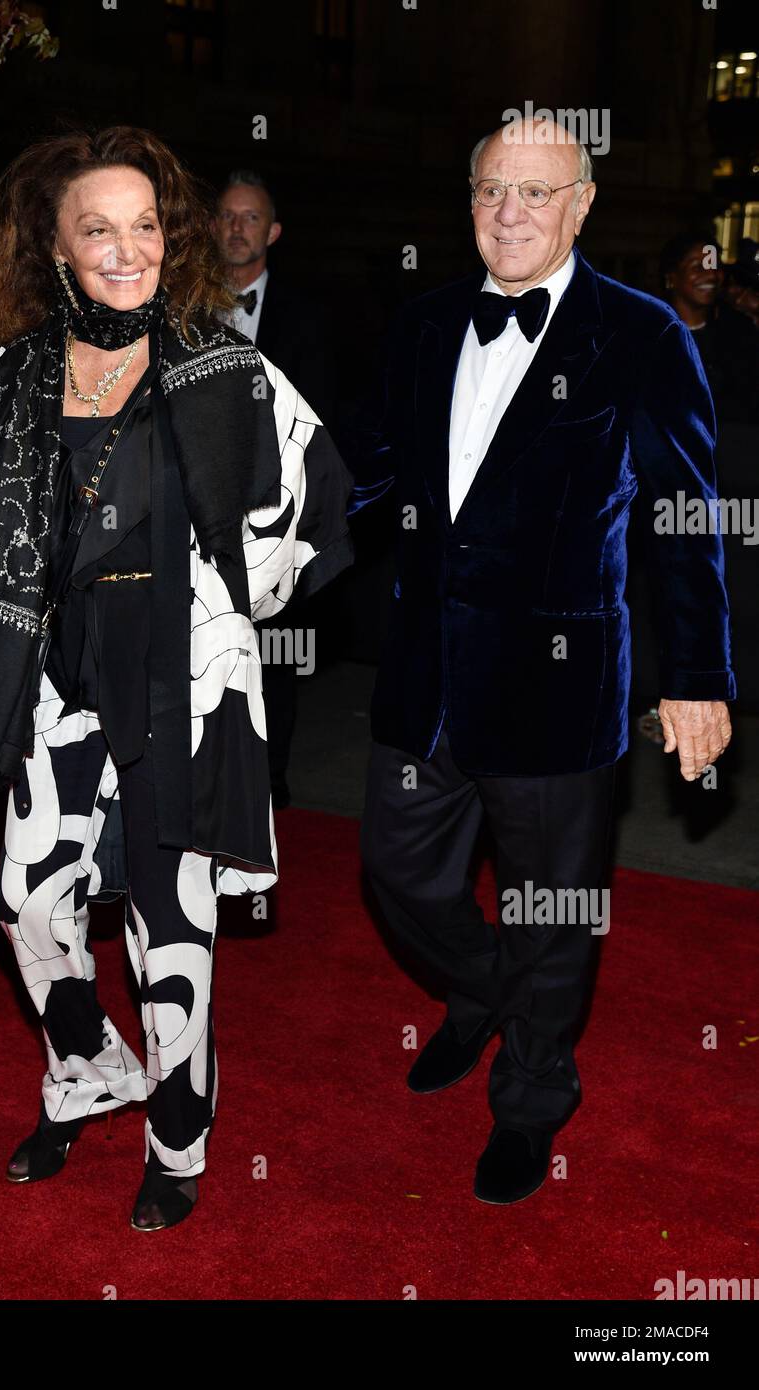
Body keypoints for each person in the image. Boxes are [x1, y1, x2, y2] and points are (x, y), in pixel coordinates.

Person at [0, 125, 354, 1231]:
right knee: (29, 903)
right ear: (56, 248)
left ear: (171, 239)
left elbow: (321, 495)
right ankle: (89, 1067)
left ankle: (179, 1136)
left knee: (170, 931)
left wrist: (238, 594)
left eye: (145, 226)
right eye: (97, 230)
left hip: (179, 678)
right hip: (55, 670)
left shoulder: (221, 364)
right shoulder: (21, 368)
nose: (126, 248)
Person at [345, 117, 734, 1205]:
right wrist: (243, 540)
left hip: (559, 688)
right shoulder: (423, 325)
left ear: (581, 204)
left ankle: (530, 1096)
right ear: (466, 200)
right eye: (487, 191)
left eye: (533, 192)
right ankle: (484, 994)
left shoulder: (643, 334)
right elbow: (358, 473)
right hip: (424, 676)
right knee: (397, 874)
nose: (507, 214)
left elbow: (681, 517)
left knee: (552, 909)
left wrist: (693, 675)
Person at [215, 170, 338, 808]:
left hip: (274, 511)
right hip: (196, 512)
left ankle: (267, 784)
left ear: (274, 231)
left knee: (275, 650)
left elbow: (322, 418)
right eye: (228, 216)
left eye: (252, 218)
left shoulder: (310, 317)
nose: (238, 228)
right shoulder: (174, 307)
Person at [660, 233, 759, 424]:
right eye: (697, 266)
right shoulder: (651, 336)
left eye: (715, 266)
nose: (711, 274)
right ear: (672, 277)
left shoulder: (739, 333)